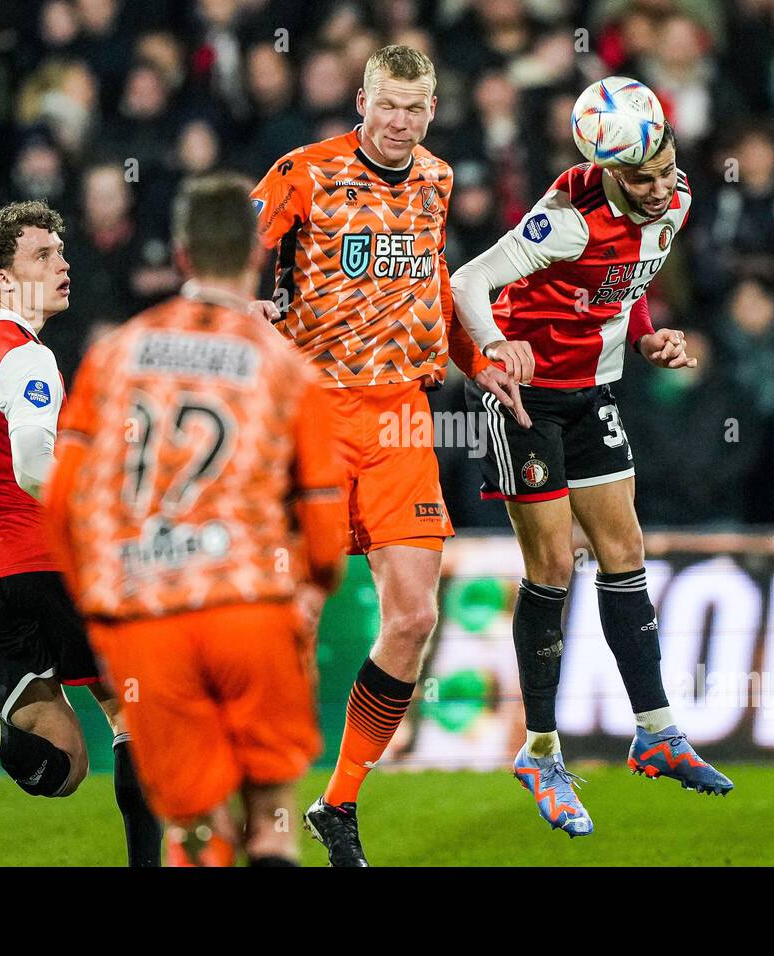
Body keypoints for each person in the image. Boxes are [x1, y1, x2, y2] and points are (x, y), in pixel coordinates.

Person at [249, 44, 518, 866]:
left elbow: (432, 286)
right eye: (387, 105)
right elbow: (230, 260)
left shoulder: (435, 181)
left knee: (413, 616)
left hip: (403, 416)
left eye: (415, 107)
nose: (399, 122)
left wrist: (483, 361)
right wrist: (242, 318)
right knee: (291, 619)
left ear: (432, 108)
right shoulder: (303, 172)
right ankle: (259, 807)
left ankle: (340, 802)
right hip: (313, 417)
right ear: (360, 100)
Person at [43, 174, 348, 866]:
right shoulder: (286, 369)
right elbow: (325, 533)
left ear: (180, 257)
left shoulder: (113, 353)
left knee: (195, 831)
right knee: (270, 819)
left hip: (150, 619)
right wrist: (307, 595)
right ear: (257, 258)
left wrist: (100, 605)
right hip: (251, 608)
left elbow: (61, 507)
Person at [450, 109, 734, 839]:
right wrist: (492, 352)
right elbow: (467, 282)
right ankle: (540, 753)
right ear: (610, 172)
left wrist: (647, 339)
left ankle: (658, 733)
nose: (658, 188)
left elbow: (622, 285)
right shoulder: (565, 221)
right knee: (553, 567)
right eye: (641, 178)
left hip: (592, 394)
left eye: (665, 170)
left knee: (627, 554)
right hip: (530, 401)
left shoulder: (678, 202)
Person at [0, 200, 161, 866]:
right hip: (51, 566)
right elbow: (37, 466)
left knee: (63, 768)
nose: (63, 264)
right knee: (136, 719)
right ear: (3, 281)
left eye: (62, 252)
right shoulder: (25, 357)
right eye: (42, 255)